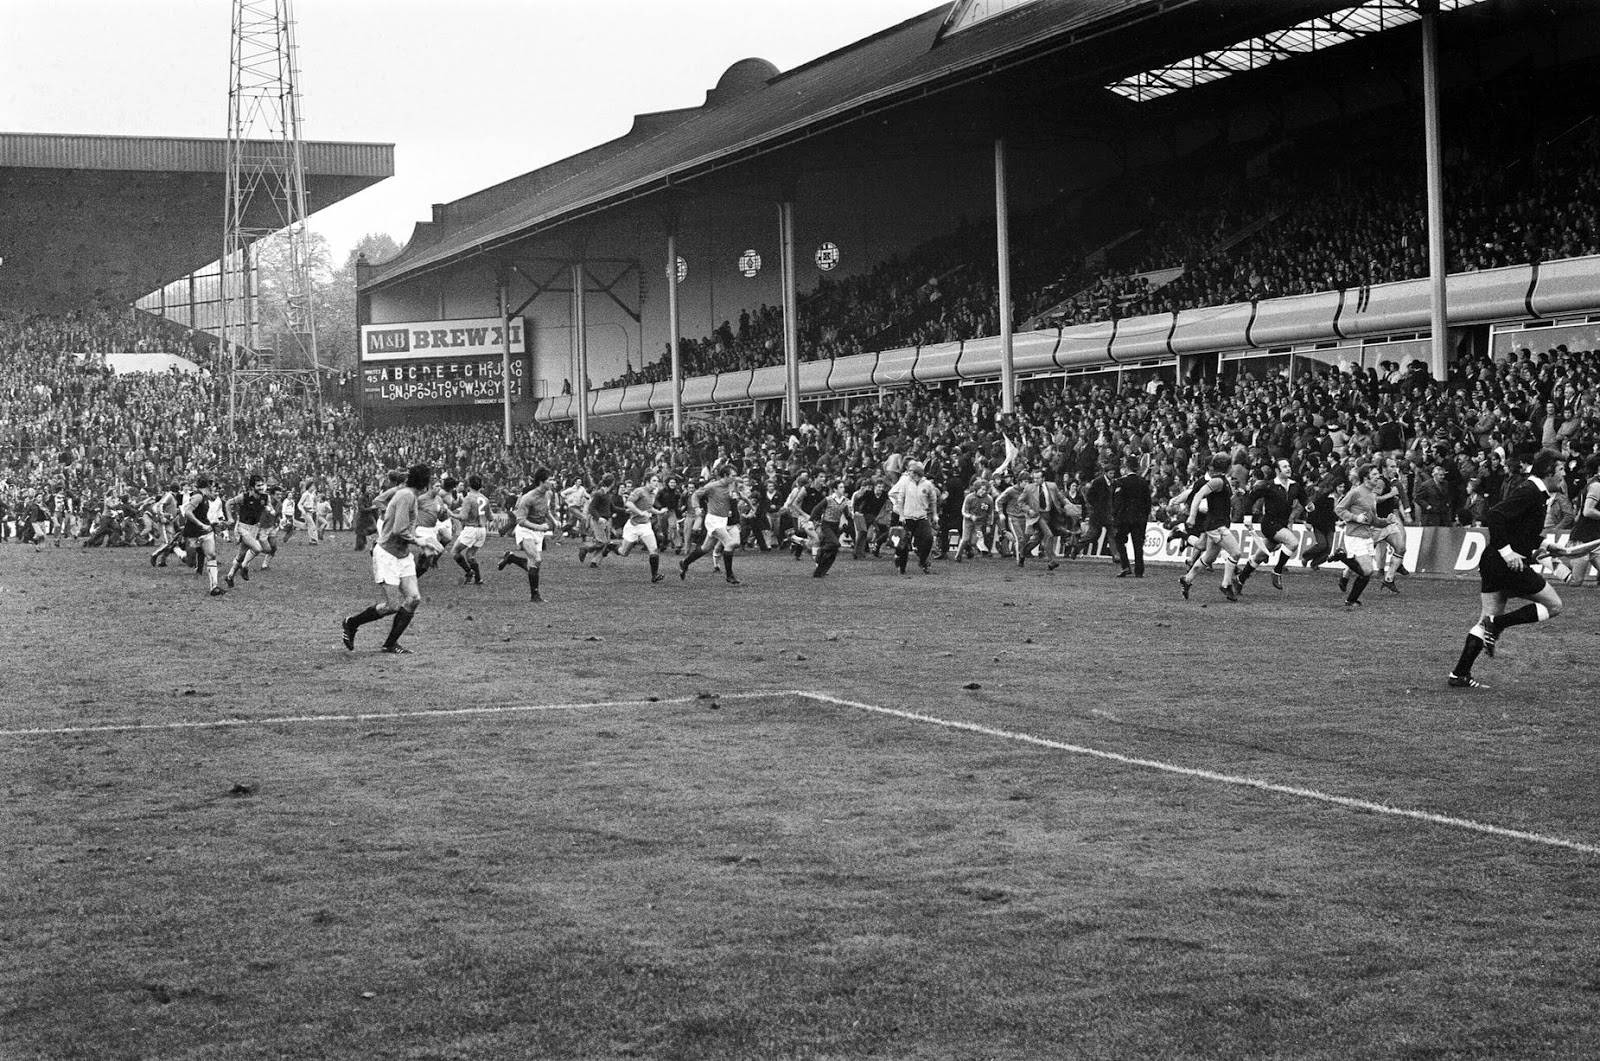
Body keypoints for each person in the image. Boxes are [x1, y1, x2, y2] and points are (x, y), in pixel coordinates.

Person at [1449, 448, 1568, 689]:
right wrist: (1507, 552)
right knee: (1554, 605)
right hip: (1505, 564)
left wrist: (1546, 544)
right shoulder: (1530, 491)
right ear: (1548, 472)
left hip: (1493, 563)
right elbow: (1495, 516)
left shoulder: (1537, 492)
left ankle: (1459, 674)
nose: (1564, 475)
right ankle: (1499, 623)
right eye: (1561, 470)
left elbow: (1522, 532)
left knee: (1484, 620)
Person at [343, 463, 429, 654]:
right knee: (393, 605)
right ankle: (351, 623)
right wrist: (421, 542)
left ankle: (390, 644)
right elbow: (400, 530)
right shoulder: (406, 496)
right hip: (388, 554)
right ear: (425, 484)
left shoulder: (409, 495)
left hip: (403, 554)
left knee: (413, 599)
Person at [1178, 454, 1242, 601]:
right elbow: (1198, 495)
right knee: (1236, 553)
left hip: (1216, 524)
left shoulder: (1222, 481)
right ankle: (1226, 585)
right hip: (1216, 525)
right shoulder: (1218, 481)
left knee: (1209, 558)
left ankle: (1187, 579)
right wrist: (1192, 516)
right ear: (1228, 467)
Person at [1237, 459, 1305, 591]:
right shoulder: (1268, 485)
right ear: (1277, 471)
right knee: (1293, 542)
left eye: (1289, 466)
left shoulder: (1294, 485)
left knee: (1260, 556)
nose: (1288, 469)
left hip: (1282, 524)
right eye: (1285, 467)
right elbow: (1250, 498)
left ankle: (1239, 579)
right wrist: (1247, 518)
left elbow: (1303, 498)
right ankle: (1277, 571)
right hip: (1269, 524)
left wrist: (1309, 505)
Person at [1333, 464, 1389, 607]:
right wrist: (1354, 517)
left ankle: (1351, 600)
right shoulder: (1356, 492)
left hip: (1366, 536)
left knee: (1367, 572)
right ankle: (1341, 556)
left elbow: (1373, 520)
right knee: (1367, 570)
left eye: (1378, 474)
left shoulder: (1371, 494)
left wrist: (1386, 522)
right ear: (1366, 477)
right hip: (1354, 535)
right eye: (1375, 474)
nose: (1378, 477)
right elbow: (1339, 509)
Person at [499, 467, 558, 602]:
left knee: (535, 563)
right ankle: (535, 596)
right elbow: (520, 520)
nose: (553, 482)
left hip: (538, 531)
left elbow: (546, 509)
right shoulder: (528, 498)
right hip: (525, 530)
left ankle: (512, 559)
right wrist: (539, 526)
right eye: (550, 480)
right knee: (537, 559)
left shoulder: (548, 493)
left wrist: (554, 520)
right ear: (541, 482)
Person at [679, 465, 742, 584]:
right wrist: (697, 508)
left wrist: (735, 497)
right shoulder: (712, 486)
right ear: (725, 476)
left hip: (723, 520)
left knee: (705, 548)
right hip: (713, 520)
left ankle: (685, 563)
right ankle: (730, 575)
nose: (735, 478)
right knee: (729, 543)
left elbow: (734, 492)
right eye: (733, 476)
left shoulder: (731, 485)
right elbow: (696, 494)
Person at [615, 472, 669, 582]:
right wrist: (640, 512)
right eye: (654, 481)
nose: (656, 483)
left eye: (657, 481)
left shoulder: (652, 493)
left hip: (645, 525)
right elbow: (629, 504)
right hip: (633, 525)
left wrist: (659, 512)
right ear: (647, 481)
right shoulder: (639, 491)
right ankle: (611, 547)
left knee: (653, 549)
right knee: (624, 552)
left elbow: (649, 508)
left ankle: (655, 576)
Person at [1555, 454, 1600, 586]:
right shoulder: (1596, 485)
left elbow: (1579, 514)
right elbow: (1588, 511)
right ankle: (1552, 564)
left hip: (1594, 538)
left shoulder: (1592, 483)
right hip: (1582, 539)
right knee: (1576, 581)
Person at [889, 460, 939, 575]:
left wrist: (935, 514)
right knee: (904, 544)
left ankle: (922, 561)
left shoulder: (927, 484)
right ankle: (902, 567)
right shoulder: (905, 483)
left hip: (921, 517)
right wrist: (901, 515)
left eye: (910, 471)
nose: (908, 473)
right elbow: (900, 499)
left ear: (917, 472)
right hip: (908, 517)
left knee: (928, 539)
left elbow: (933, 499)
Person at [222, 474, 271, 588]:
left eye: (262, 485)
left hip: (254, 528)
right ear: (252, 487)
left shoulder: (265, 497)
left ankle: (229, 576)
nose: (261, 487)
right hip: (242, 527)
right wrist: (230, 518)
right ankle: (244, 567)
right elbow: (228, 503)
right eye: (258, 485)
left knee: (241, 555)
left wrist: (270, 509)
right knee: (258, 548)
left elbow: (269, 506)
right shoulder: (244, 497)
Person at [180, 475, 225, 597]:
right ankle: (178, 551)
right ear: (207, 486)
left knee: (211, 555)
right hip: (192, 532)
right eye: (212, 485)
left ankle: (214, 587)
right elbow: (187, 512)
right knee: (190, 561)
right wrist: (201, 524)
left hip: (205, 531)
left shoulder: (205, 496)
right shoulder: (198, 496)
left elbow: (214, 498)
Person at [1110, 454, 1153, 578]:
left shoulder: (1121, 482)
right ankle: (1139, 570)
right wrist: (1145, 516)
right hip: (1139, 518)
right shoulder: (1143, 483)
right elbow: (1147, 503)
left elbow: (1117, 501)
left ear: (1126, 467)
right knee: (1138, 544)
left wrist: (1114, 515)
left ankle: (1125, 566)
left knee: (1119, 540)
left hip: (1124, 517)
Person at [449, 474, 492, 585]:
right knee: (470, 555)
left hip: (470, 529)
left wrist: (451, 514)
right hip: (482, 530)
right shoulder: (485, 499)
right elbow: (491, 518)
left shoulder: (468, 498)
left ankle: (469, 571)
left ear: (469, 485)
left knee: (455, 551)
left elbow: (463, 517)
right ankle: (478, 579)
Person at [809, 478, 851, 578]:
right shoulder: (828, 499)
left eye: (843, 487)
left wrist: (851, 516)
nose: (843, 489)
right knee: (835, 543)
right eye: (840, 487)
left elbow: (847, 515)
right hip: (826, 525)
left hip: (836, 526)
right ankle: (820, 552)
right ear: (835, 489)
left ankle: (819, 572)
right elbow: (816, 509)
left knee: (833, 552)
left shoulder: (845, 501)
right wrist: (811, 520)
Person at [579, 474, 617, 567]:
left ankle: (594, 562)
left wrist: (626, 510)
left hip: (606, 521)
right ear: (612, 483)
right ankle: (585, 548)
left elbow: (612, 508)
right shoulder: (599, 494)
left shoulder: (608, 495)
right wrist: (598, 517)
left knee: (605, 543)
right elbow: (592, 508)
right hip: (599, 521)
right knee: (602, 542)